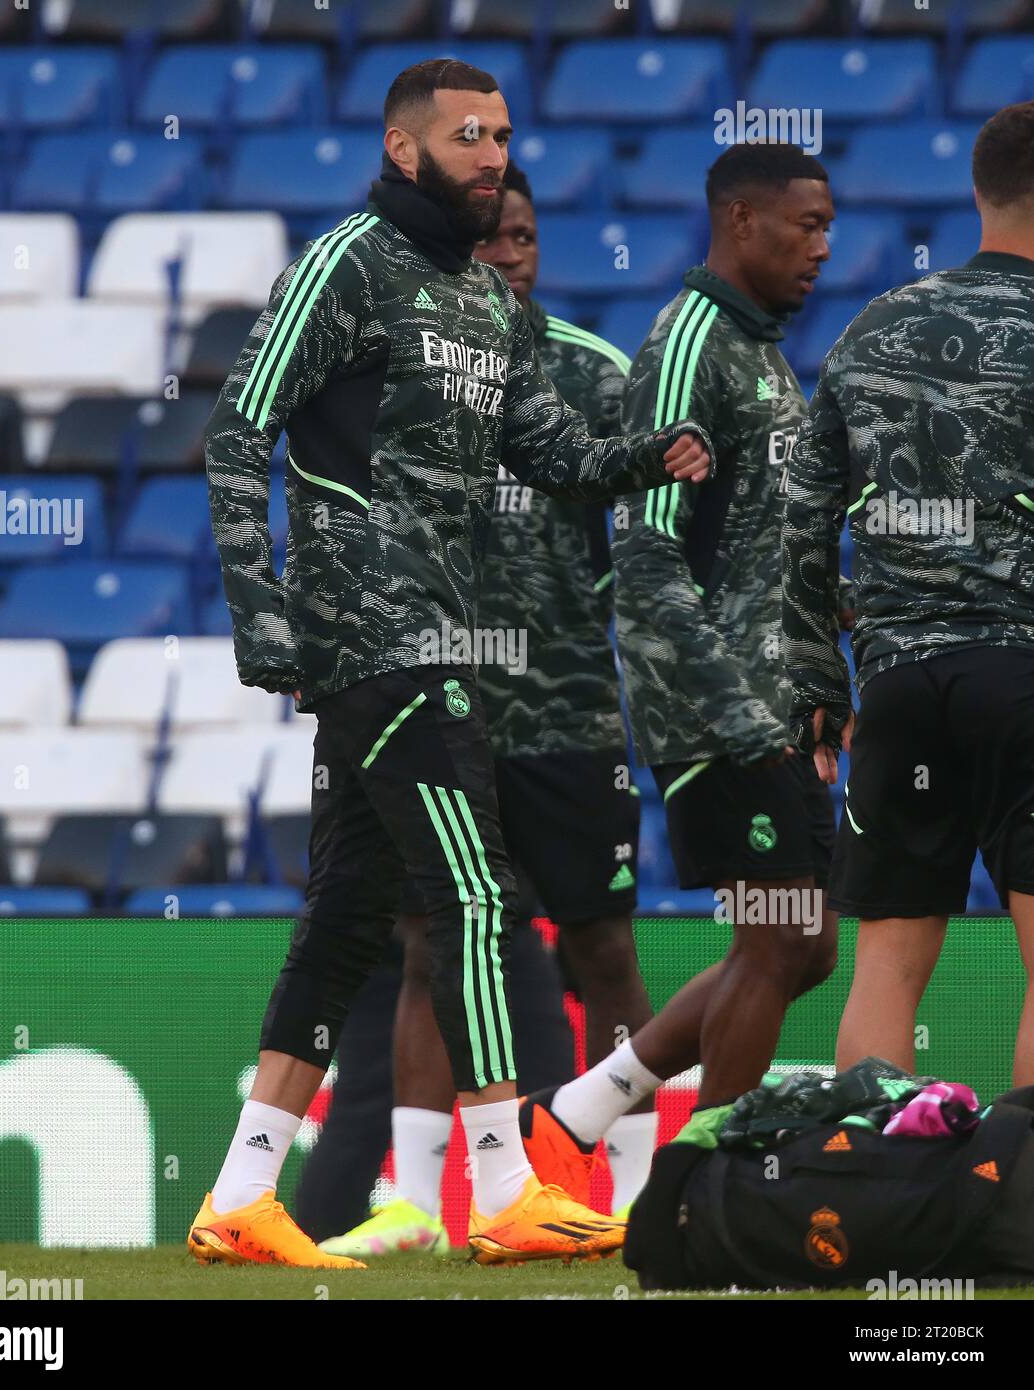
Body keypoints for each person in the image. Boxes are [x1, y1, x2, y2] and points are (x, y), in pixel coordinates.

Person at [192, 58, 713, 1269]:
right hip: (376, 632)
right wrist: (263, 616)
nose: (493, 155)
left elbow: (551, 449)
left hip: (440, 627)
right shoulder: (347, 263)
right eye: (470, 136)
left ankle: (238, 1189)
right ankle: (506, 1180)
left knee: (349, 919)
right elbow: (235, 429)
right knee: (477, 897)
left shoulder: (487, 302)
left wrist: (652, 455)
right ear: (403, 146)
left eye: (505, 137)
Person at [315, 163, 656, 1260]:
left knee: (602, 948)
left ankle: (639, 1196)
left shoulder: (595, 375)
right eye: (489, 241)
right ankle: (415, 1206)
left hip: (567, 716)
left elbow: (641, 545)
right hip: (432, 702)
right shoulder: (412, 362)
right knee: (429, 942)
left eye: (523, 237)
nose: (507, 256)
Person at [517, 142, 846, 1197]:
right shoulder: (691, 342)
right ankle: (698, 1191)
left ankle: (589, 1098)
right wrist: (731, 707)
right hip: (719, 706)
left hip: (774, 699)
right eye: (805, 225)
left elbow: (761, 542)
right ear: (740, 220)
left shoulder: (761, 347)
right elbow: (649, 557)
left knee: (810, 944)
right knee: (774, 939)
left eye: (831, 226)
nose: (823, 248)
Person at [782, 100, 1034, 1088]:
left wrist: (825, 689)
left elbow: (800, 527)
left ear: (979, 190)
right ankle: (1019, 1207)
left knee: (886, 962)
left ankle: (858, 1190)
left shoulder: (871, 327)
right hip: (1022, 675)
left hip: (897, 687)